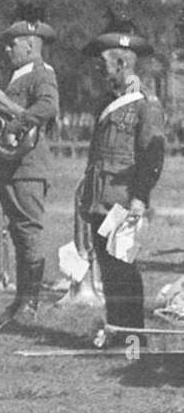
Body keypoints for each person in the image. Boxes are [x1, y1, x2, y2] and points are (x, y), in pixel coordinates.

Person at [79, 20, 164, 333]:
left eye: (103, 62)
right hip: (101, 201)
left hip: (125, 200)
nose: (99, 68)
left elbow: (152, 157)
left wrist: (141, 197)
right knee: (109, 269)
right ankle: (117, 331)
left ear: (122, 62)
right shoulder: (107, 102)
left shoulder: (145, 104)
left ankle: (133, 336)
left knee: (124, 268)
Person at [0, 5, 60, 328]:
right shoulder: (16, 75)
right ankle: (21, 300)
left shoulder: (41, 72)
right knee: (19, 233)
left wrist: (18, 123)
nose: (6, 49)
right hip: (9, 164)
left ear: (30, 45)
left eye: (12, 43)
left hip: (28, 165)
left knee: (29, 233)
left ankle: (30, 304)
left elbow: (48, 106)